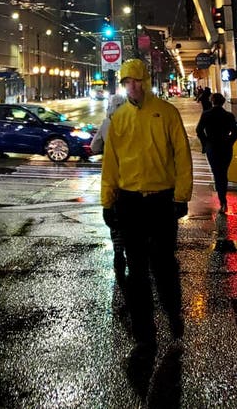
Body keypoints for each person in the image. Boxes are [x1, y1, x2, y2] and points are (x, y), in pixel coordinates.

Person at [101, 58, 193, 349]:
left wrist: (181, 195)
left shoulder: (166, 113)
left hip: (162, 199)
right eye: (128, 82)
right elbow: (110, 165)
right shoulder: (119, 120)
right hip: (129, 202)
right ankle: (143, 325)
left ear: (146, 81)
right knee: (136, 266)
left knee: (164, 262)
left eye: (137, 80)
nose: (133, 86)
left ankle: (172, 311)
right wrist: (108, 201)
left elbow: (182, 154)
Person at [91, 92, 127, 283]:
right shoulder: (133, 121)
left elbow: (95, 147)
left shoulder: (107, 124)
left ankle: (118, 251)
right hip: (133, 176)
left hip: (112, 176)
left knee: (114, 215)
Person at [195, 92, 237, 214]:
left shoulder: (207, 114)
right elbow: (235, 133)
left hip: (212, 147)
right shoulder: (229, 116)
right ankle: (223, 199)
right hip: (225, 147)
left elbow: (199, 130)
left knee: (217, 172)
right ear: (223, 102)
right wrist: (229, 142)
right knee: (223, 172)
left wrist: (206, 142)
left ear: (212, 101)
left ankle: (222, 200)